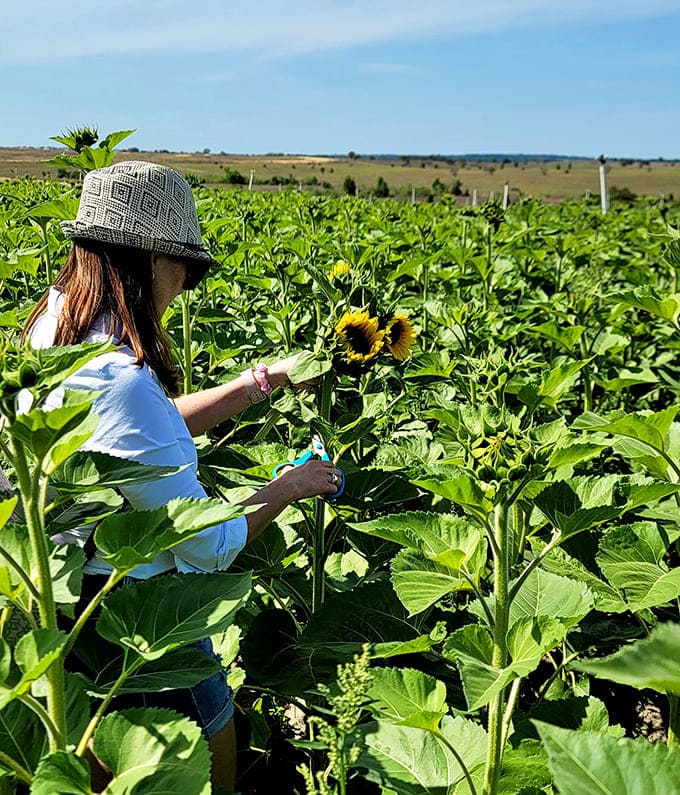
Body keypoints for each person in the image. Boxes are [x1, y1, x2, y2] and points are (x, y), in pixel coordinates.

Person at [22, 160, 342, 791]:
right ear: (145, 263)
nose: (185, 284)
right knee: (201, 758)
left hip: (60, 609)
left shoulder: (51, 331)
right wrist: (290, 486)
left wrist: (262, 383)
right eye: (183, 267)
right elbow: (207, 544)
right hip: (140, 622)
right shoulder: (123, 383)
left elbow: (137, 439)